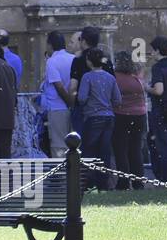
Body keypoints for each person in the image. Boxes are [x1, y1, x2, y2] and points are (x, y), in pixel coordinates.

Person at [76, 47, 121, 190]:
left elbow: (82, 98)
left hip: (93, 117)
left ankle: (89, 182)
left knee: (89, 151)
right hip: (109, 118)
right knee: (105, 152)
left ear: (89, 61)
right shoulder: (110, 77)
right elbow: (118, 100)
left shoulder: (87, 77)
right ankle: (104, 183)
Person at [143, 36, 167, 183]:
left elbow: (158, 90)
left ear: (157, 50)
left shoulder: (158, 67)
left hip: (160, 109)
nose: (151, 53)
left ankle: (166, 178)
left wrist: (146, 87)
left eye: (152, 50)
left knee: (161, 145)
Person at [111, 51, 148, 189]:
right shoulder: (136, 78)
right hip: (139, 116)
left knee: (121, 150)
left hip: (121, 115)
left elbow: (113, 98)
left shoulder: (115, 78)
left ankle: (123, 182)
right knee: (135, 150)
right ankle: (138, 182)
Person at [41, 31, 75, 157]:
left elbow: (58, 86)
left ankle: (62, 175)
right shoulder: (73, 59)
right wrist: (72, 103)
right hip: (72, 108)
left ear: (50, 45)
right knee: (75, 144)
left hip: (57, 108)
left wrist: (69, 102)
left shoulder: (52, 62)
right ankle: (74, 173)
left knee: (58, 145)